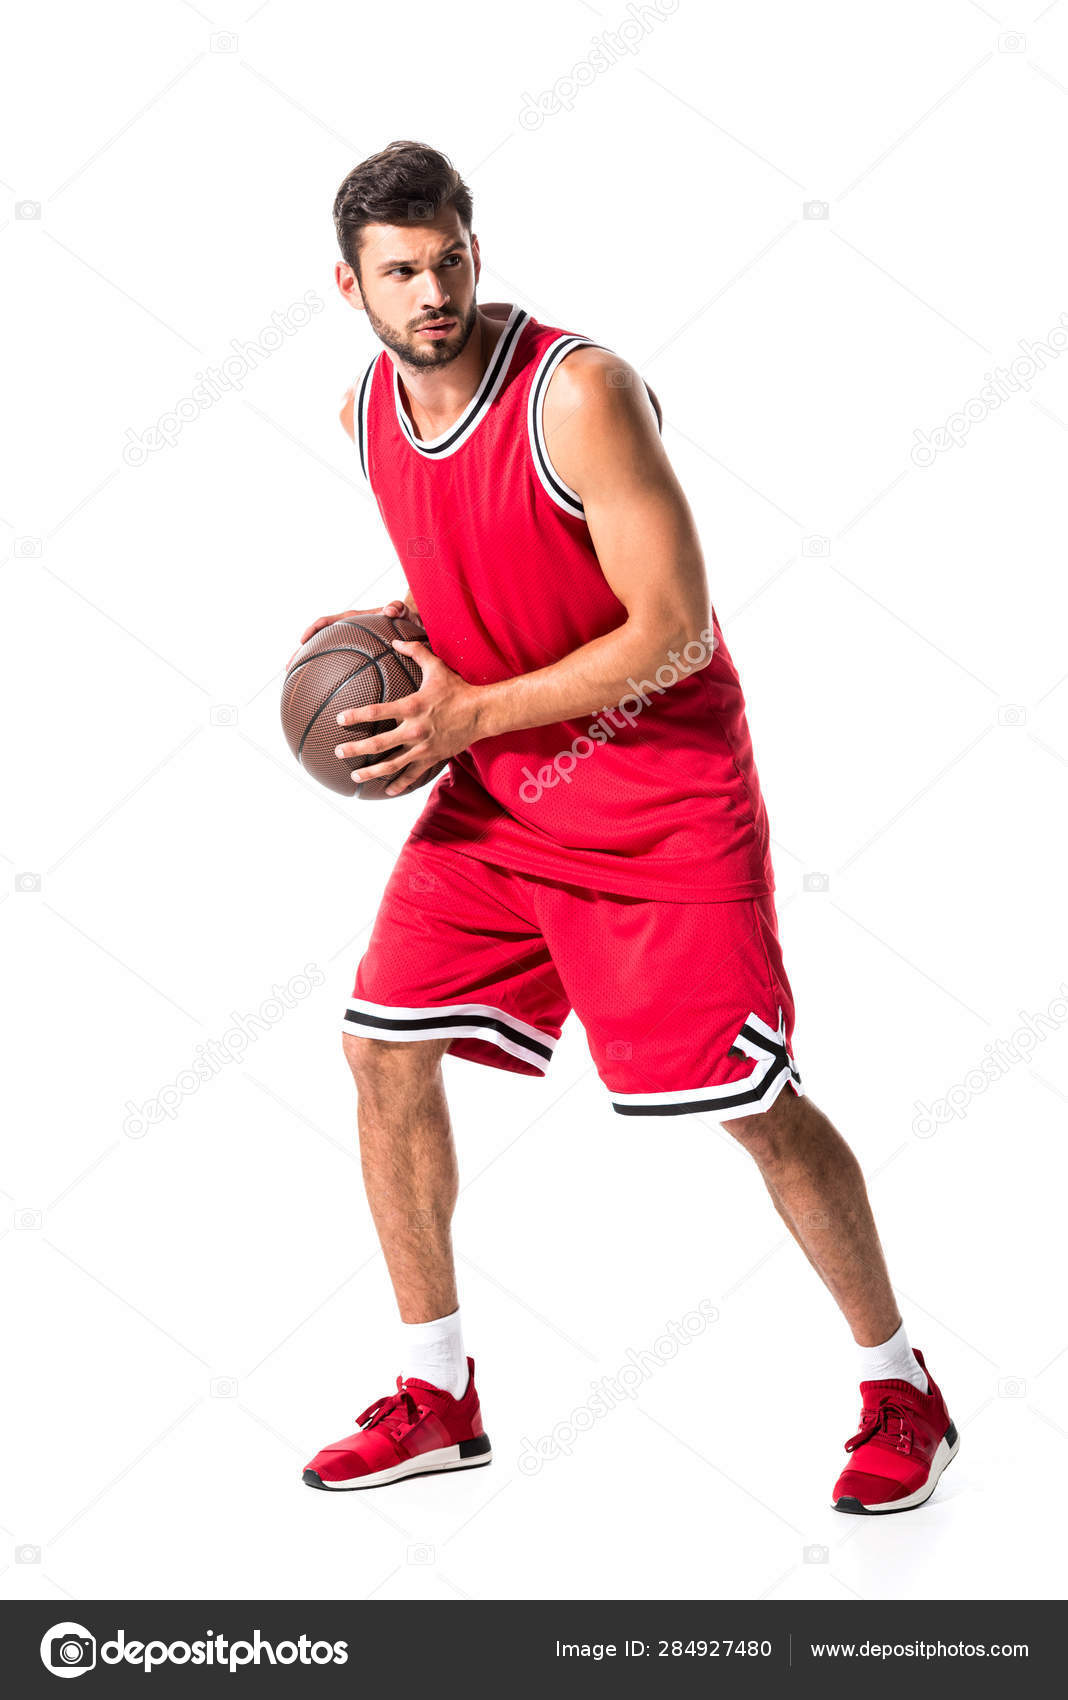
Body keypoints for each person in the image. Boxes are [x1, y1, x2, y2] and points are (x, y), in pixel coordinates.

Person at [299, 141, 958, 1514]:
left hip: (657, 799)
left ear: (479, 250)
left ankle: (902, 1388)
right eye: (400, 271)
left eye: (449, 259)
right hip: (501, 792)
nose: (430, 292)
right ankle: (437, 1394)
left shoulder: (578, 394)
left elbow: (670, 630)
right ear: (347, 285)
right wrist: (395, 625)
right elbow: (506, 573)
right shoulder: (370, 407)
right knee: (380, 1051)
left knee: (754, 1109)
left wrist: (471, 715)